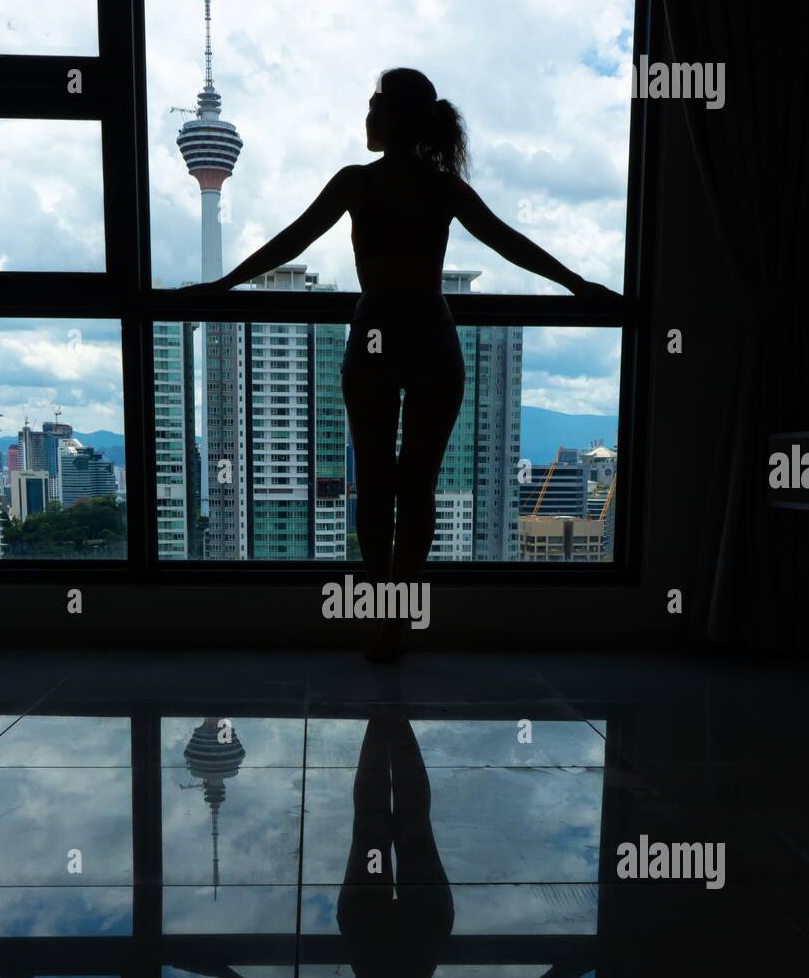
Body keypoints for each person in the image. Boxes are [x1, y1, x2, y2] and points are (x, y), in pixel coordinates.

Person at [184, 68, 618, 659]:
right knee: (417, 488)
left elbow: (291, 241)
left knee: (377, 485)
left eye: (374, 107)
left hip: (376, 337)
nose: (367, 118)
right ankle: (397, 621)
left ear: (396, 118)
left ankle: (385, 614)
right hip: (433, 338)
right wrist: (577, 285)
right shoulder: (441, 188)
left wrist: (225, 286)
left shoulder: (358, 183)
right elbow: (509, 242)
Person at [176, 711, 594, 978]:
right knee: (372, 821)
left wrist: (552, 977)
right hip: (368, 933)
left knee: (413, 820)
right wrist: (230, 976)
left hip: (420, 932)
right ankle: (382, 719)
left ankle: (394, 717)